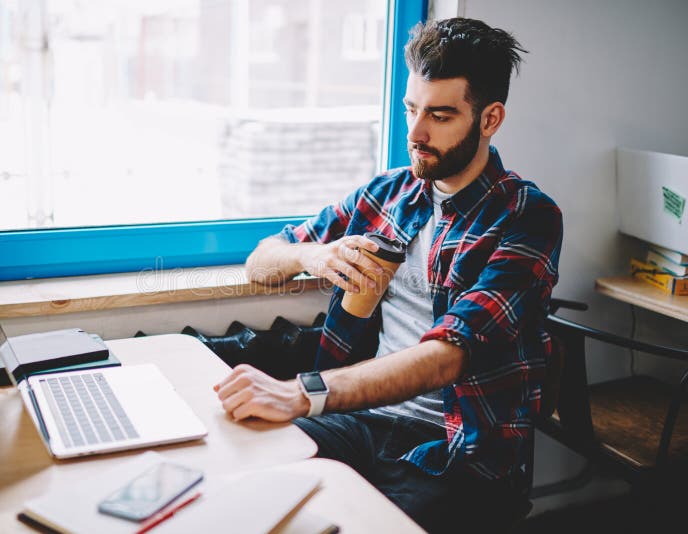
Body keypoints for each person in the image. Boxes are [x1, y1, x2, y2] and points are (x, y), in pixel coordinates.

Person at [214, 17, 563, 533]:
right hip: (362, 423)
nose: (416, 133)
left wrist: (301, 392)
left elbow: (447, 356)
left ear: (490, 119)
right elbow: (261, 262)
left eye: (440, 116)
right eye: (411, 109)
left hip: (457, 449)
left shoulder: (527, 216)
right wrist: (313, 256)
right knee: (239, 477)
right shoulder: (387, 194)